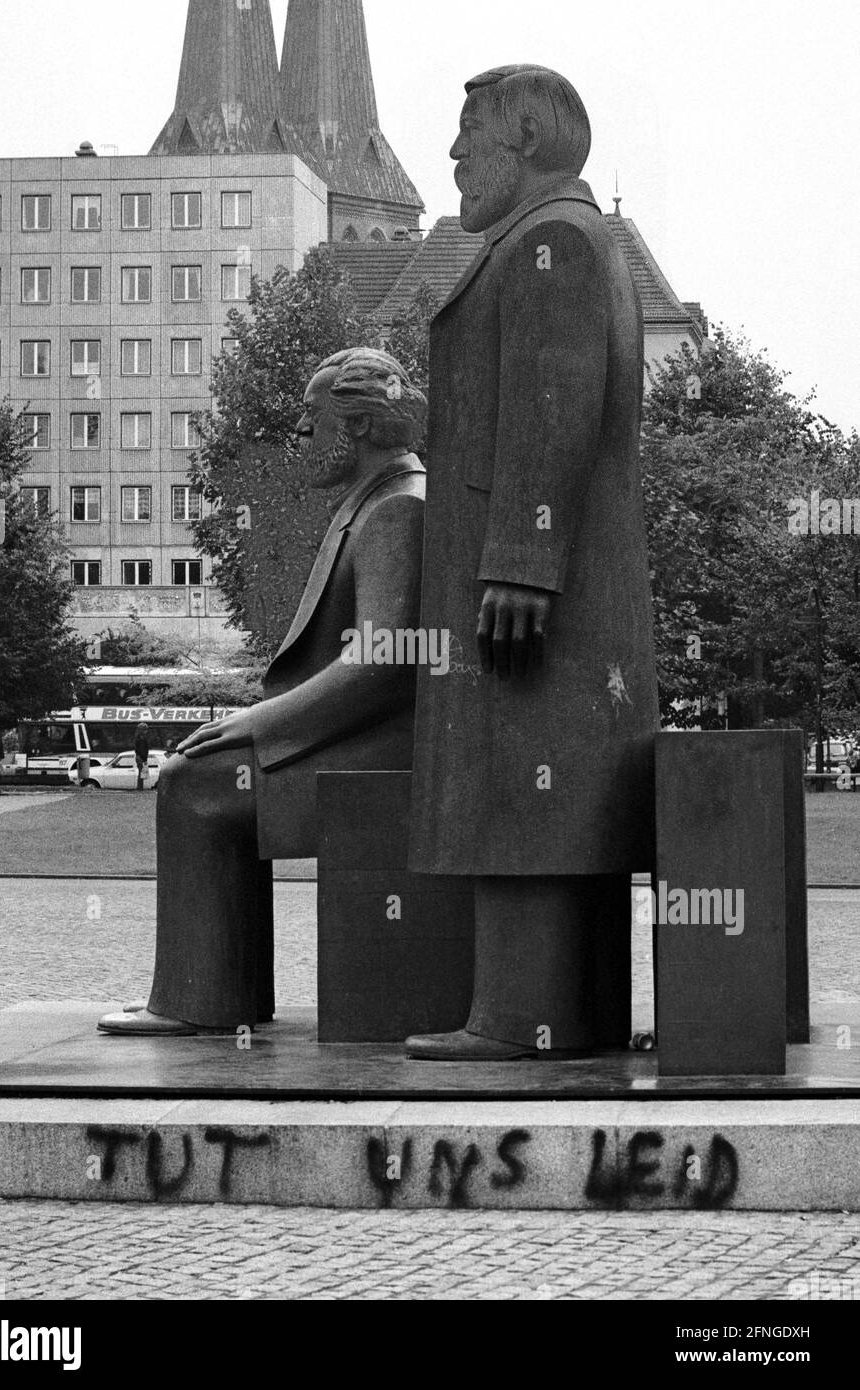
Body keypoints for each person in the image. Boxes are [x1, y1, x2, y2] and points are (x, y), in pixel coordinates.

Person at [405, 65, 660, 1061]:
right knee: (554, 790)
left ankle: (517, 1018)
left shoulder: (551, 241)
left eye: (473, 135)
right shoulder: (568, 240)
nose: (457, 155)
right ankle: (578, 1013)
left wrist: (521, 558)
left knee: (524, 786)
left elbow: (555, 405)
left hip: (532, 583)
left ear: (530, 142)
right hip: (567, 579)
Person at [99, 347, 427, 1037]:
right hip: (377, 738)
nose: (302, 436)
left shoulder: (397, 510)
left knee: (194, 784)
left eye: (314, 418)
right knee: (203, 772)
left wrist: (261, 721)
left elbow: (381, 664)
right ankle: (215, 994)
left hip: (395, 753)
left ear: (360, 425)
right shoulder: (377, 502)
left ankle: (199, 1000)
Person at [134, 724, 150, 792]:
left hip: (141, 757)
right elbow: (142, 749)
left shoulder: (140, 738)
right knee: (142, 772)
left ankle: (140, 787)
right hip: (141, 757)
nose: (146, 731)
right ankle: (140, 788)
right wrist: (144, 759)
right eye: (145, 730)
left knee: (143, 773)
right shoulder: (141, 739)